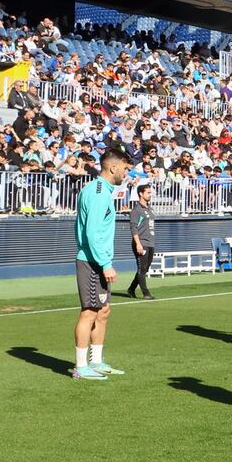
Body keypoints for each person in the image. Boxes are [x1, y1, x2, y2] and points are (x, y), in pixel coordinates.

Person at [72, 146, 132, 380]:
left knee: (103, 311)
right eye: (125, 168)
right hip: (92, 261)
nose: (126, 173)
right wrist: (105, 263)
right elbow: (92, 233)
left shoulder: (103, 191)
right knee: (89, 312)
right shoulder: (97, 192)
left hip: (98, 260)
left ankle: (96, 362)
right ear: (113, 167)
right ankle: (80, 367)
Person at [125, 181, 157, 300]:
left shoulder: (149, 209)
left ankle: (131, 289)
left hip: (150, 242)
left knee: (145, 269)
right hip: (141, 243)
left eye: (150, 192)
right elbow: (134, 228)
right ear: (140, 194)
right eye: (148, 193)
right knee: (141, 269)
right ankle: (146, 293)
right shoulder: (136, 210)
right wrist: (138, 243)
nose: (150, 195)